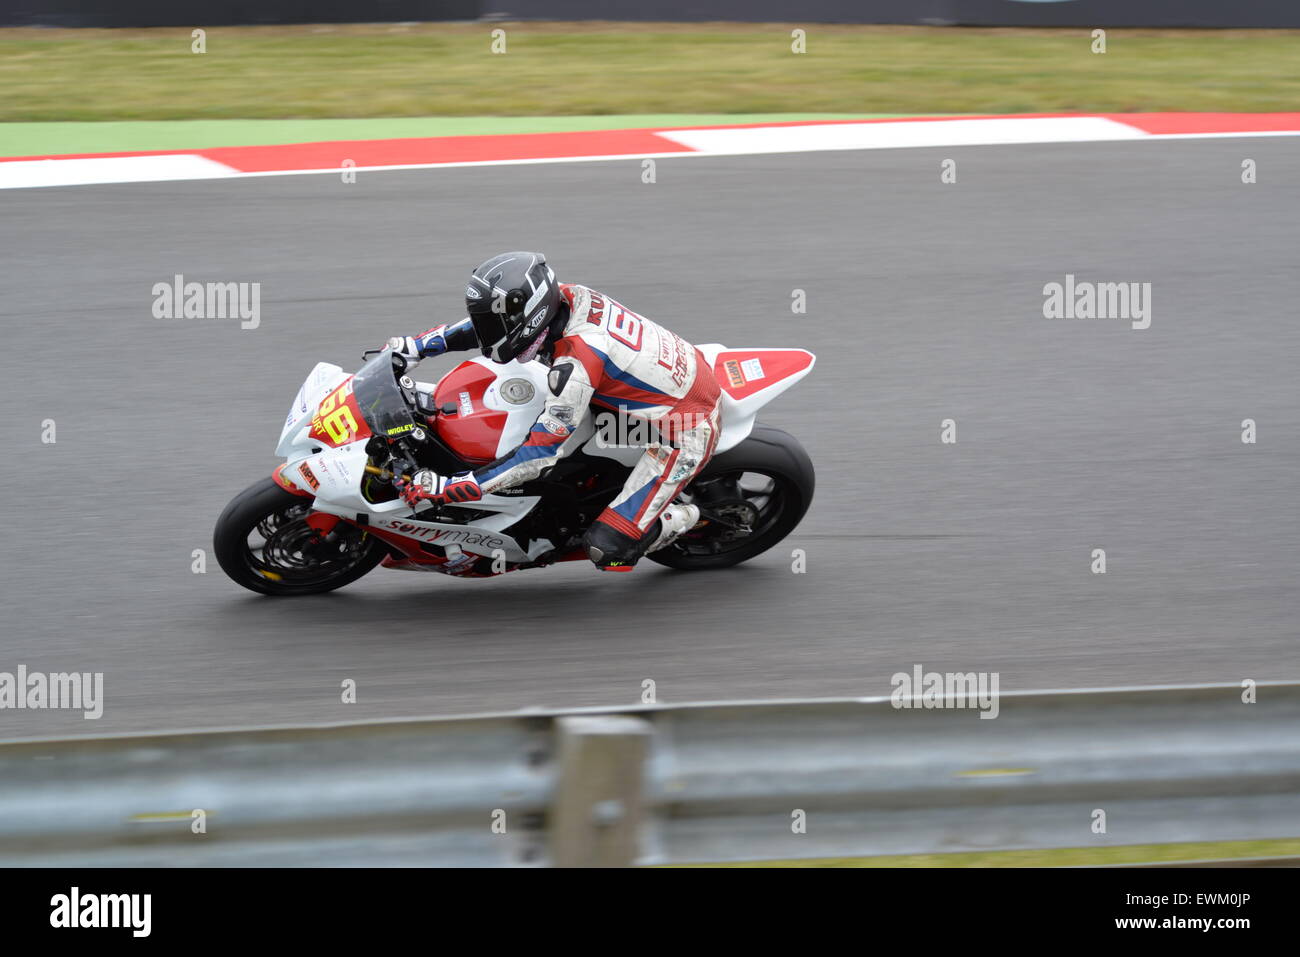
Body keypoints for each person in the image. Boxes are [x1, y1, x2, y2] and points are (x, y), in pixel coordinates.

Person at [387, 251, 721, 571]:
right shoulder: (562, 297)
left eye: (493, 323)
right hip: (648, 390)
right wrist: (416, 347)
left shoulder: (576, 365)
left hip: (683, 428)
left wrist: (453, 487)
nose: (486, 330)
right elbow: (491, 326)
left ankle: (687, 517)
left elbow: (535, 458)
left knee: (608, 549)